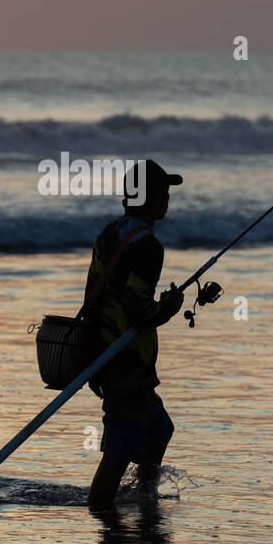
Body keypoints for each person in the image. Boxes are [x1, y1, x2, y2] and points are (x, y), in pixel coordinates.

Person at [83, 159, 186, 509]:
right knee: (119, 451)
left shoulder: (110, 233)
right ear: (149, 198)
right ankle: (100, 511)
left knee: (159, 429)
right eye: (163, 192)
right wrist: (168, 308)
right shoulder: (148, 247)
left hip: (105, 350)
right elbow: (137, 306)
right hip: (125, 359)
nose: (167, 199)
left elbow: (95, 292)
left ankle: (143, 497)